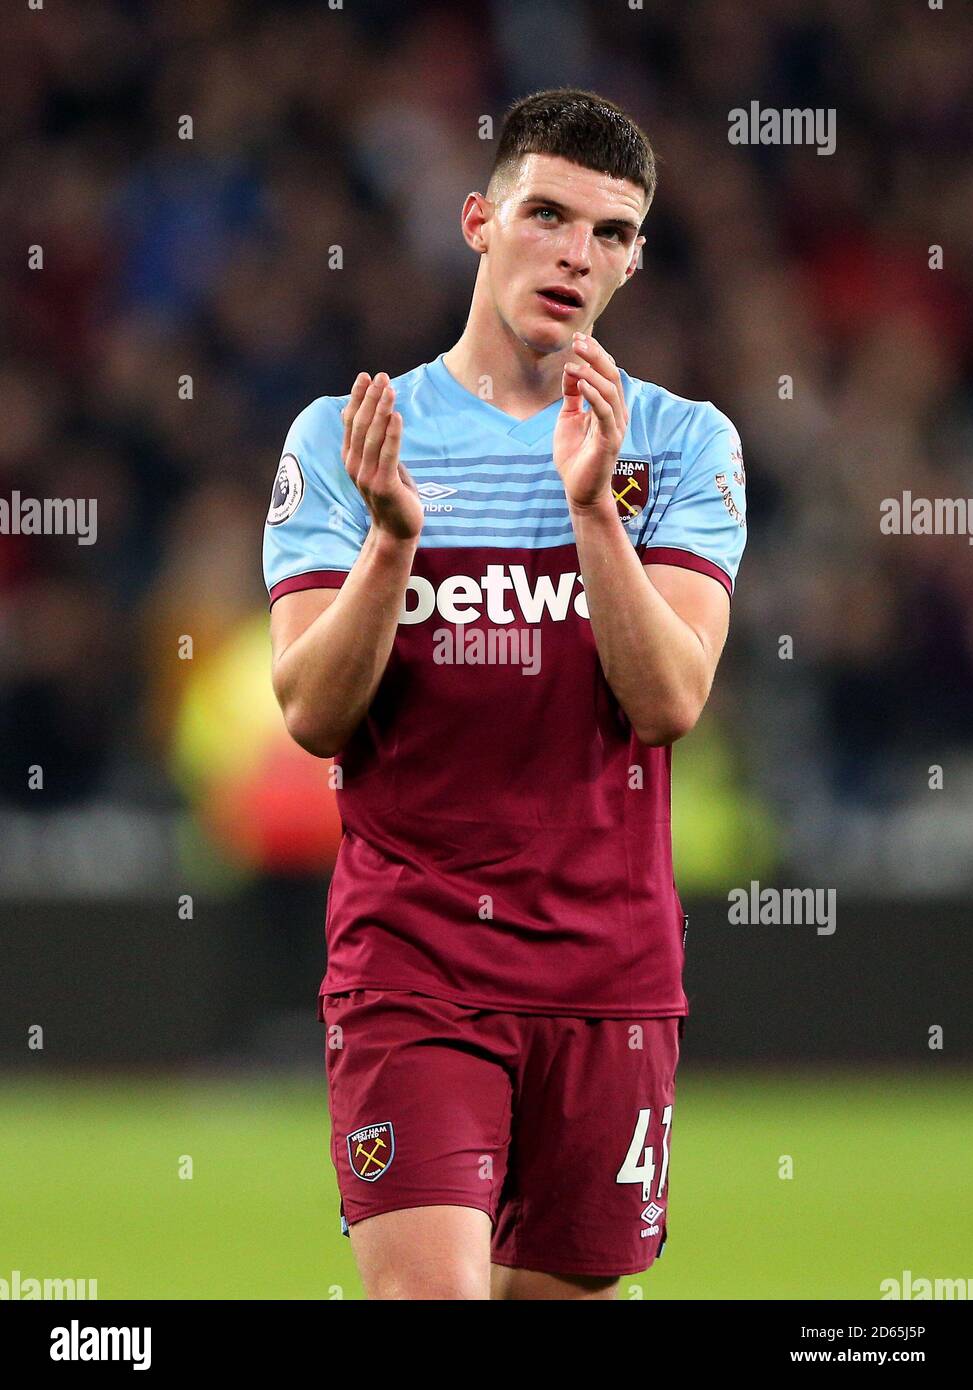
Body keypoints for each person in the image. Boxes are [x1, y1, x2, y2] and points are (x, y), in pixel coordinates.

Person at [263, 88, 746, 1300]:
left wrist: (592, 511)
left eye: (614, 233)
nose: (577, 254)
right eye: (548, 215)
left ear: (635, 259)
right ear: (480, 220)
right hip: (413, 963)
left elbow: (670, 698)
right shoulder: (346, 437)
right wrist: (389, 544)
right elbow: (313, 713)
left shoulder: (681, 446)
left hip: (610, 979)